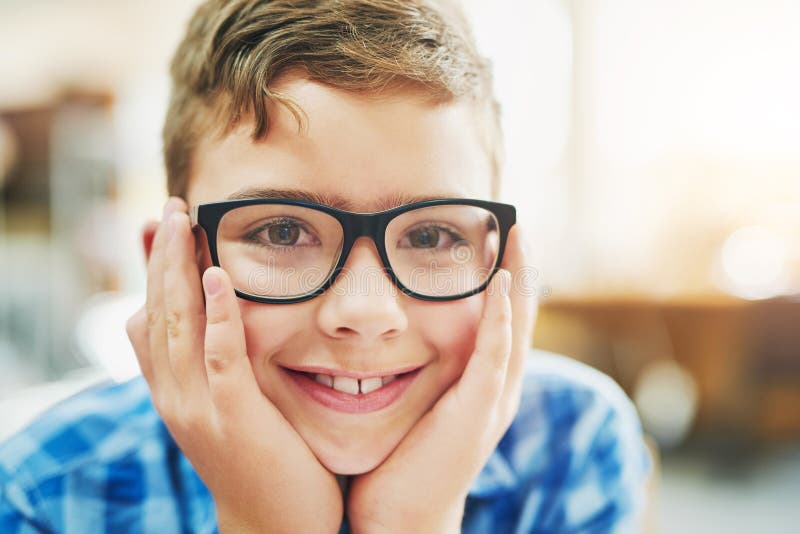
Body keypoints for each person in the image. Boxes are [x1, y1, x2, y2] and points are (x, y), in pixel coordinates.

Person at [0, 0, 651, 532]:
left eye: (429, 235)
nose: (365, 313)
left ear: (498, 256)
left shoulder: (572, 443)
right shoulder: (45, 492)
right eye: (282, 231)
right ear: (170, 268)